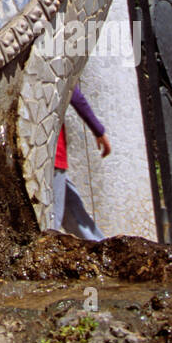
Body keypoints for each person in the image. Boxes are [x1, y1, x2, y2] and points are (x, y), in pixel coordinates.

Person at [53, 85, 111, 241]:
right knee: (51, 224)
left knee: (74, 214)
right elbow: (72, 91)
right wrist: (98, 129)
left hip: (50, 157)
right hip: (51, 157)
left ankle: (105, 255)